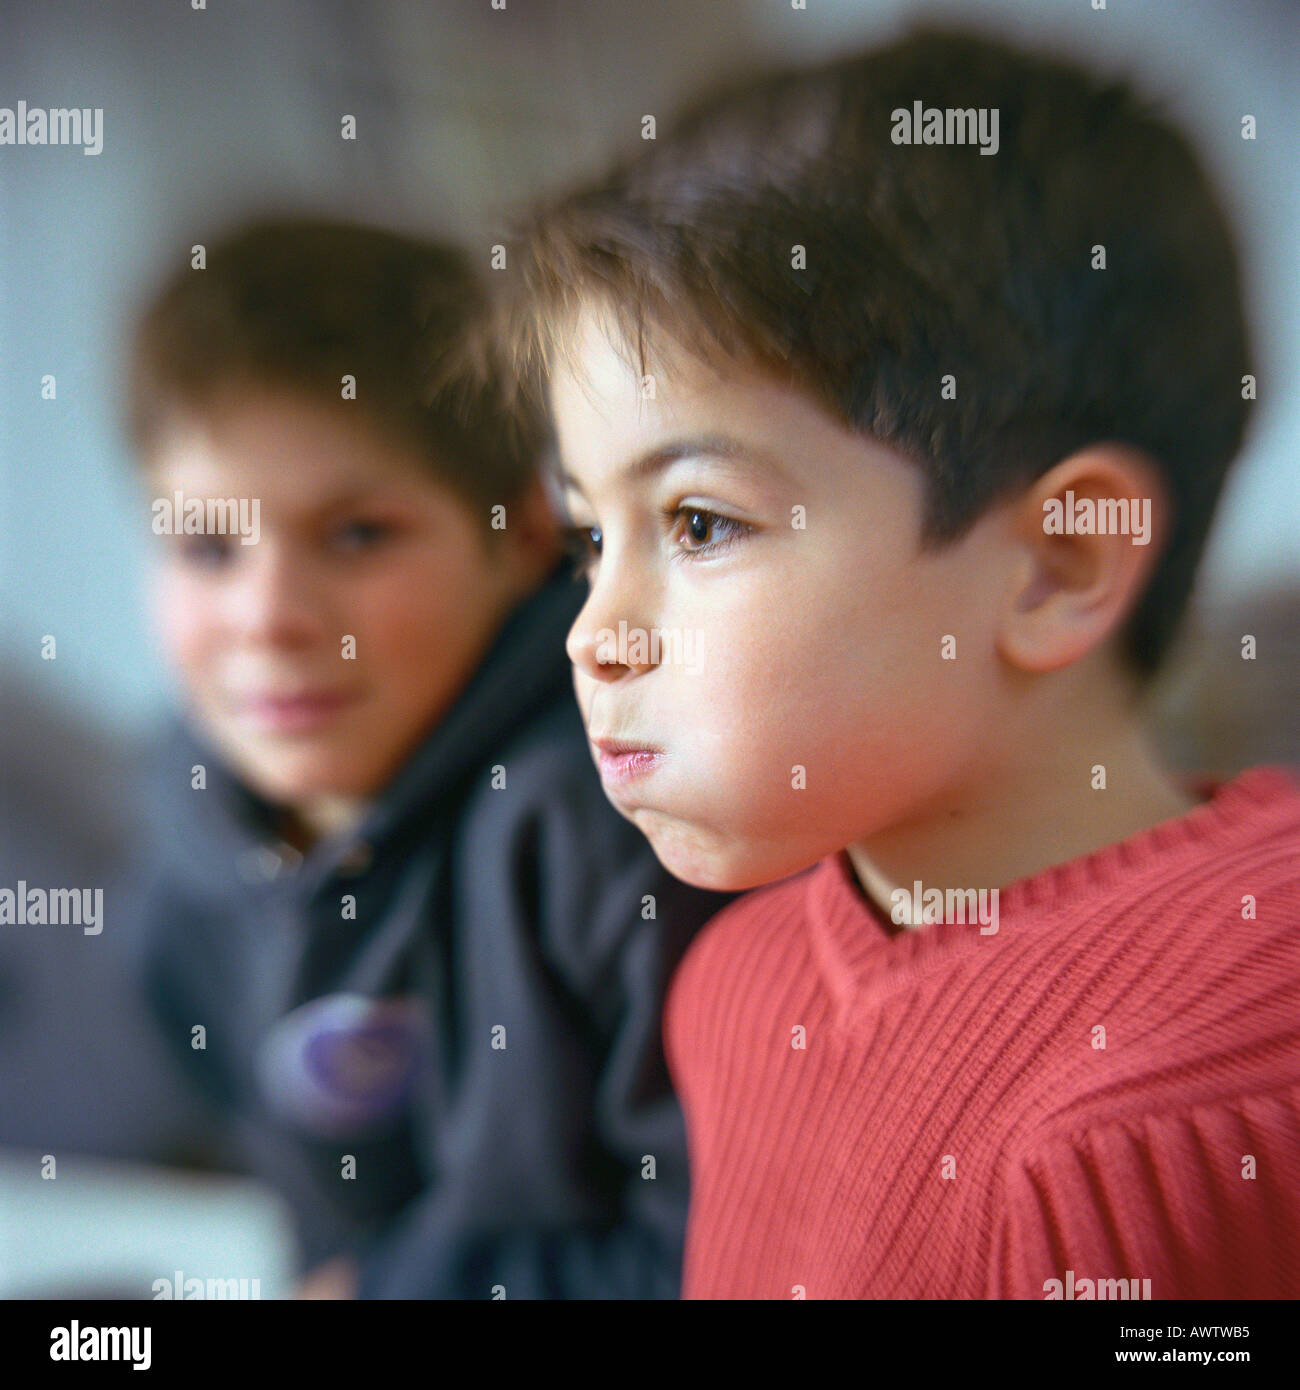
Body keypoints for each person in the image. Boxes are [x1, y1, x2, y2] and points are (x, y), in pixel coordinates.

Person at [488, 28, 1300, 1297]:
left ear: (1057, 565)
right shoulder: (735, 988)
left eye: (699, 523)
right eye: (594, 537)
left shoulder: (1181, 1113)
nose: (593, 632)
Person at [124, 216, 732, 1298]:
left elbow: (719, 1256)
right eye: (207, 547)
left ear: (523, 538)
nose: (267, 618)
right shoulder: (185, 829)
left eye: (357, 535)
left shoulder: (612, 822)